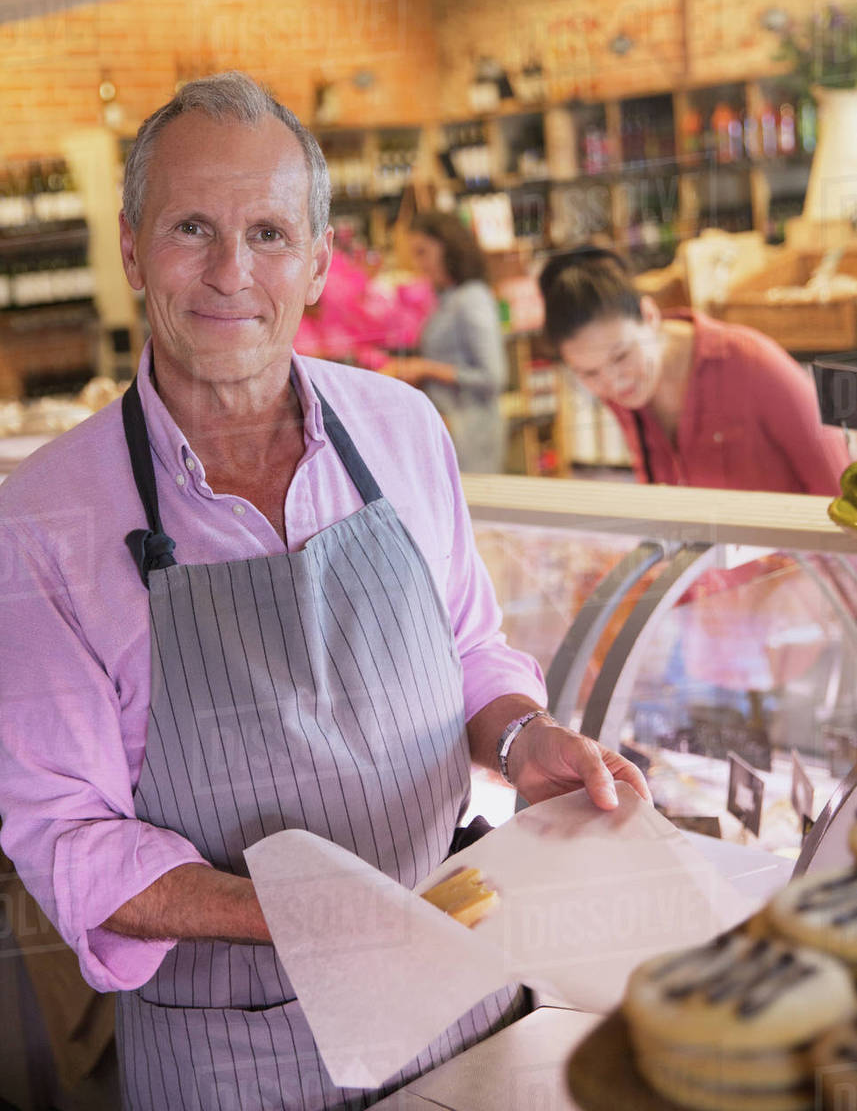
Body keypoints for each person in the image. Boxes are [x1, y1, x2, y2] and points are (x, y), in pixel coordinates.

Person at [0, 73, 649, 1111]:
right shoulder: (43, 521)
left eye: (267, 232)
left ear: (316, 261)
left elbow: (469, 652)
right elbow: (65, 839)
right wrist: (297, 914)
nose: (229, 271)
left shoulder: (399, 429)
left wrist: (529, 742)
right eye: (191, 229)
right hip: (230, 1049)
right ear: (130, 250)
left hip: (457, 991)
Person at [539, 245, 850, 492]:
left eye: (621, 356)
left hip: (800, 568)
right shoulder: (626, 392)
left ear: (649, 316)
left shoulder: (751, 362)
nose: (612, 382)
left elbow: (840, 491)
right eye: (588, 373)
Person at [382, 211, 508, 472]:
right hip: (452, 429)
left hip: (471, 437)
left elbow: (492, 377)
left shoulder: (472, 298)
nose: (419, 264)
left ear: (447, 247)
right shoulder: (448, 298)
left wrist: (426, 368)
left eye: (423, 252)